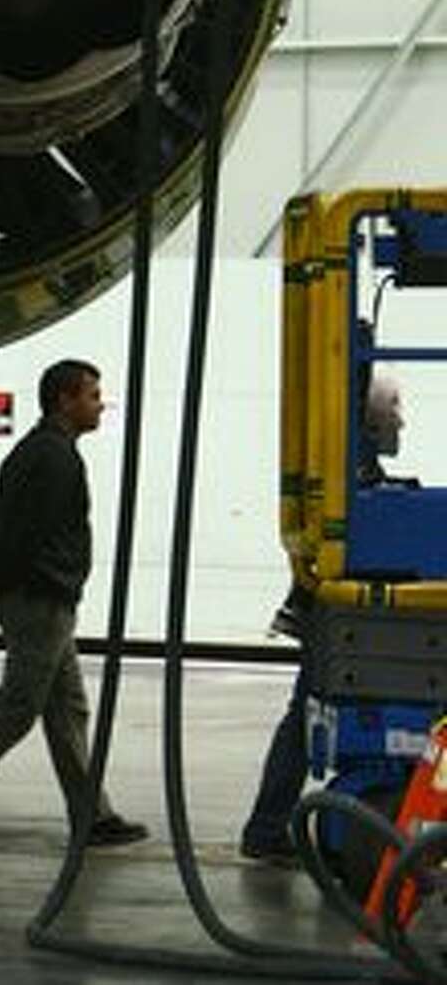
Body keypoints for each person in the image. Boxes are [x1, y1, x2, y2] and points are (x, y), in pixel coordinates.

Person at [0, 358, 148, 852]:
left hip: (44, 599)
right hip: (41, 601)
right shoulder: (52, 459)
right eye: (91, 395)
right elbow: (22, 532)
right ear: (64, 400)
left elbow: (3, 522)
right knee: (18, 707)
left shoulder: (44, 451)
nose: (99, 404)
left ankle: (93, 816)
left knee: (67, 711)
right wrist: (1, 577)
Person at [239, 370, 409, 865]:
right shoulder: (348, 466)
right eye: (394, 408)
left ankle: (267, 826)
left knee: (302, 716)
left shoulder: (349, 459)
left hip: (327, 614)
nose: (401, 418)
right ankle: (267, 827)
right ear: (372, 417)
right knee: (301, 717)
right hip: (332, 617)